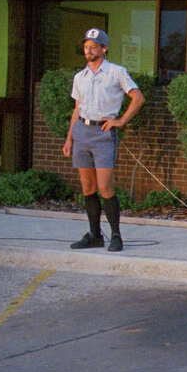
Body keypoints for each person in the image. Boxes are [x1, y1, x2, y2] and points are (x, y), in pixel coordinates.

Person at [62, 28, 145, 252]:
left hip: (103, 134)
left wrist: (121, 121)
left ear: (104, 49)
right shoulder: (80, 77)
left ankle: (116, 235)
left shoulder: (116, 72)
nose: (88, 50)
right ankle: (95, 234)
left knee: (105, 186)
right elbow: (76, 109)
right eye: (86, 47)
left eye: (93, 47)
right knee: (88, 187)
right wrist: (70, 138)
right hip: (82, 131)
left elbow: (137, 97)